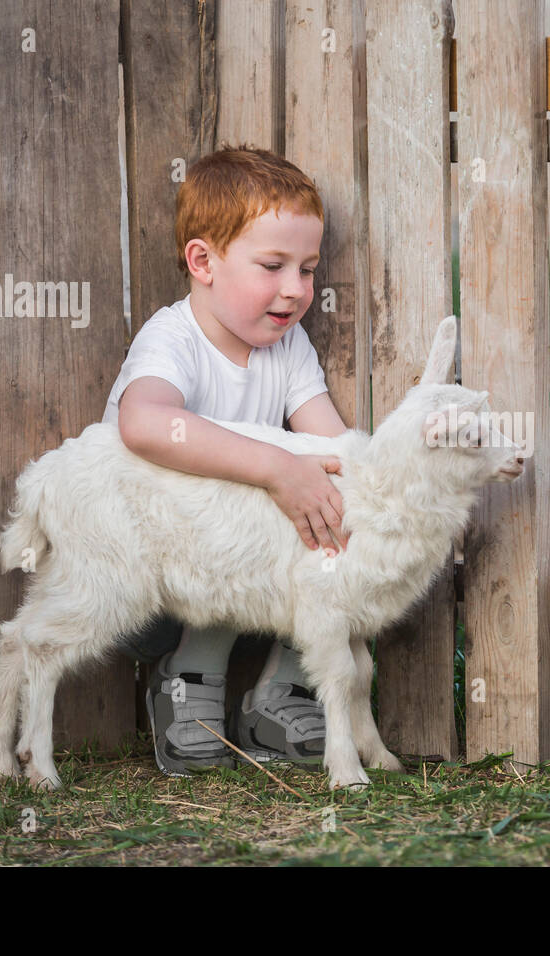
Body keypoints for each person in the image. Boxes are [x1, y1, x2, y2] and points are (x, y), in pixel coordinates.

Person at [101, 146, 350, 775]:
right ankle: (185, 681)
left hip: (236, 574)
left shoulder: (287, 349)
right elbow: (144, 423)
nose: (295, 290)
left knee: (343, 528)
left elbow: (335, 451)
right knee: (236, 525)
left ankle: (280, 697)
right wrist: (273, 466)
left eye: (308, 268)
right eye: (273, 265)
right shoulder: (173, 339)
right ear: (203, 261)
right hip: (140, 582)